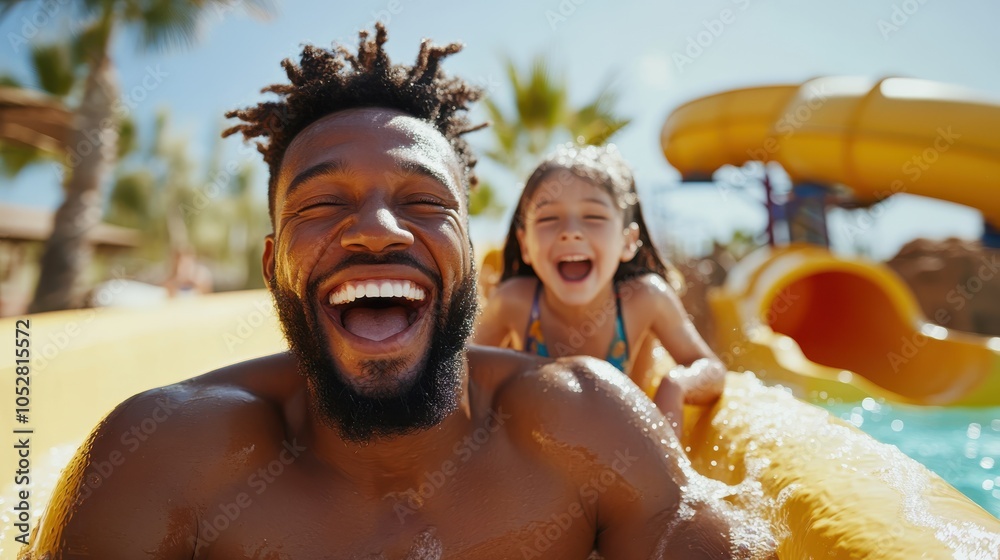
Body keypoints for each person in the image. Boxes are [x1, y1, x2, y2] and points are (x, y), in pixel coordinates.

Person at [20, 26, 765, 559]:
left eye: (422, 202)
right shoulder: (163, 455)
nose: (375, 230)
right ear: (274, 262)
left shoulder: (586, 428)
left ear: (472, 259)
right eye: (321, 205)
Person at [474, 145, 726, 432]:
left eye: (593, 217)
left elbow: (711, 369)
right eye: (548, 218)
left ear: (628, 241)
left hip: (621, 451)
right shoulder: (514, 301)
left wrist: (676, 385)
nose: (571, 231)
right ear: (525, 244)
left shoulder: (644, 299)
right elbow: (463, 374)